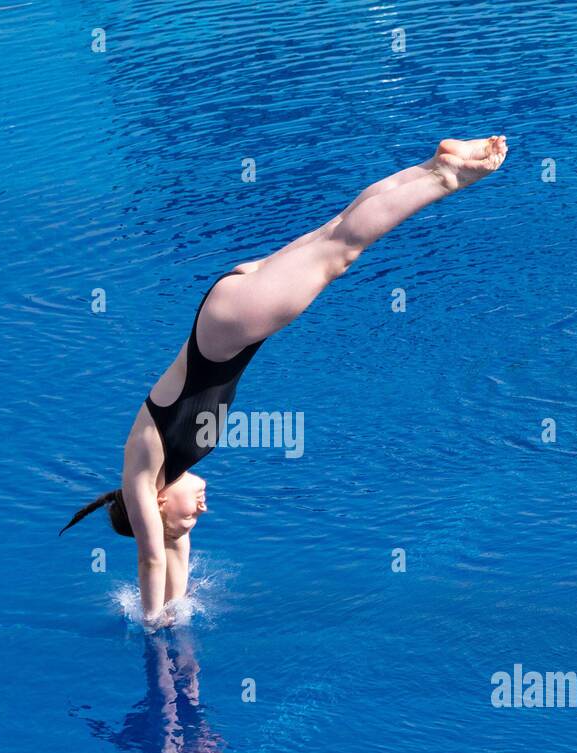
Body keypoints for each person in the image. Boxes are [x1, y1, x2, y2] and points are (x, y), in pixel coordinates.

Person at [61, 136, 509, 627]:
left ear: (157, 506)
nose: (201, 514)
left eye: (187, 517)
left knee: (341, 247)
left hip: (229, 325)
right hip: (231, 318)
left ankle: (446, 178)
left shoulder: (143, 473)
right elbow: (172, 553)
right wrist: (176, 608)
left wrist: (150, 623)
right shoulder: (167, 486)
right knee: (334, 235)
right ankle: (436, 164)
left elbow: (150, 555)